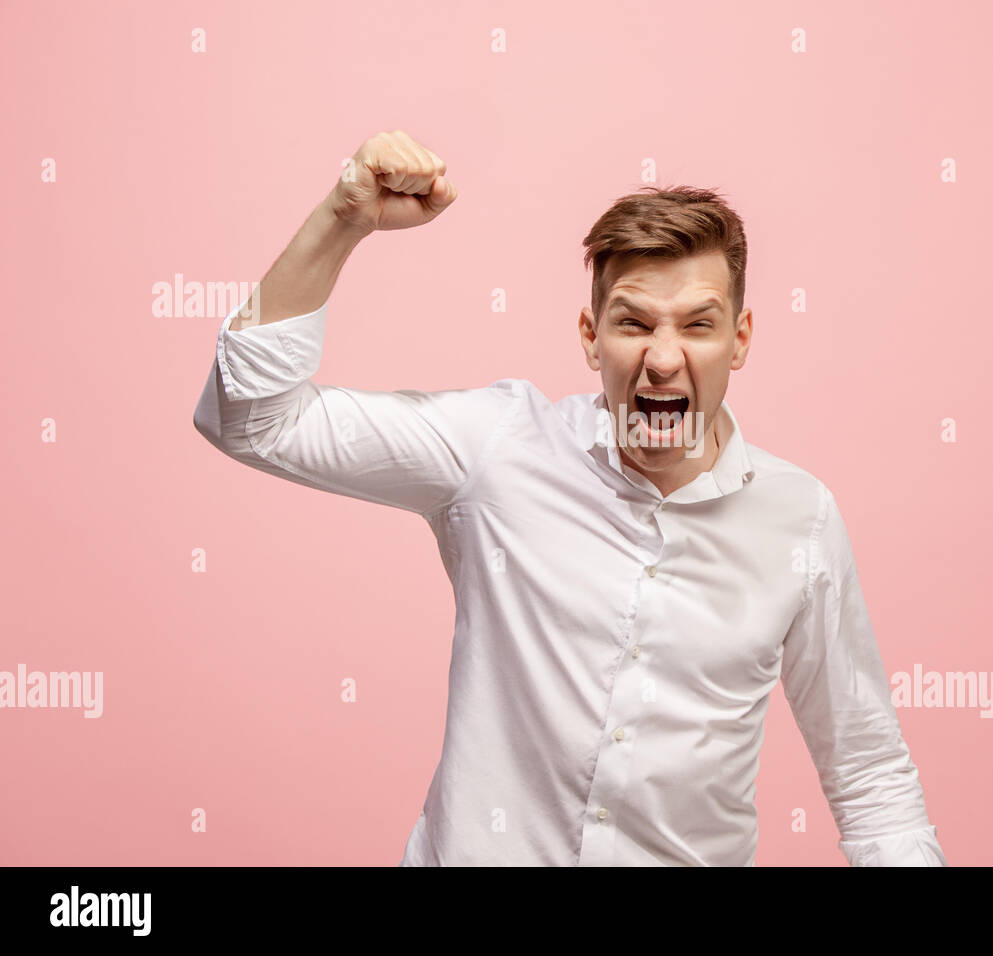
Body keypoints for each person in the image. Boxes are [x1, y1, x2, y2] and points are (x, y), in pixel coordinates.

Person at [192, 130, 948, 867]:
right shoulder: (498, 451)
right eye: (633, 323)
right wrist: (343, 217)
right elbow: (250, 419)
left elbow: (870, 777)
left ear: (741, 339)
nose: (662, 358)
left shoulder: (800, 520)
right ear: (590, 336)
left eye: (698, 325)